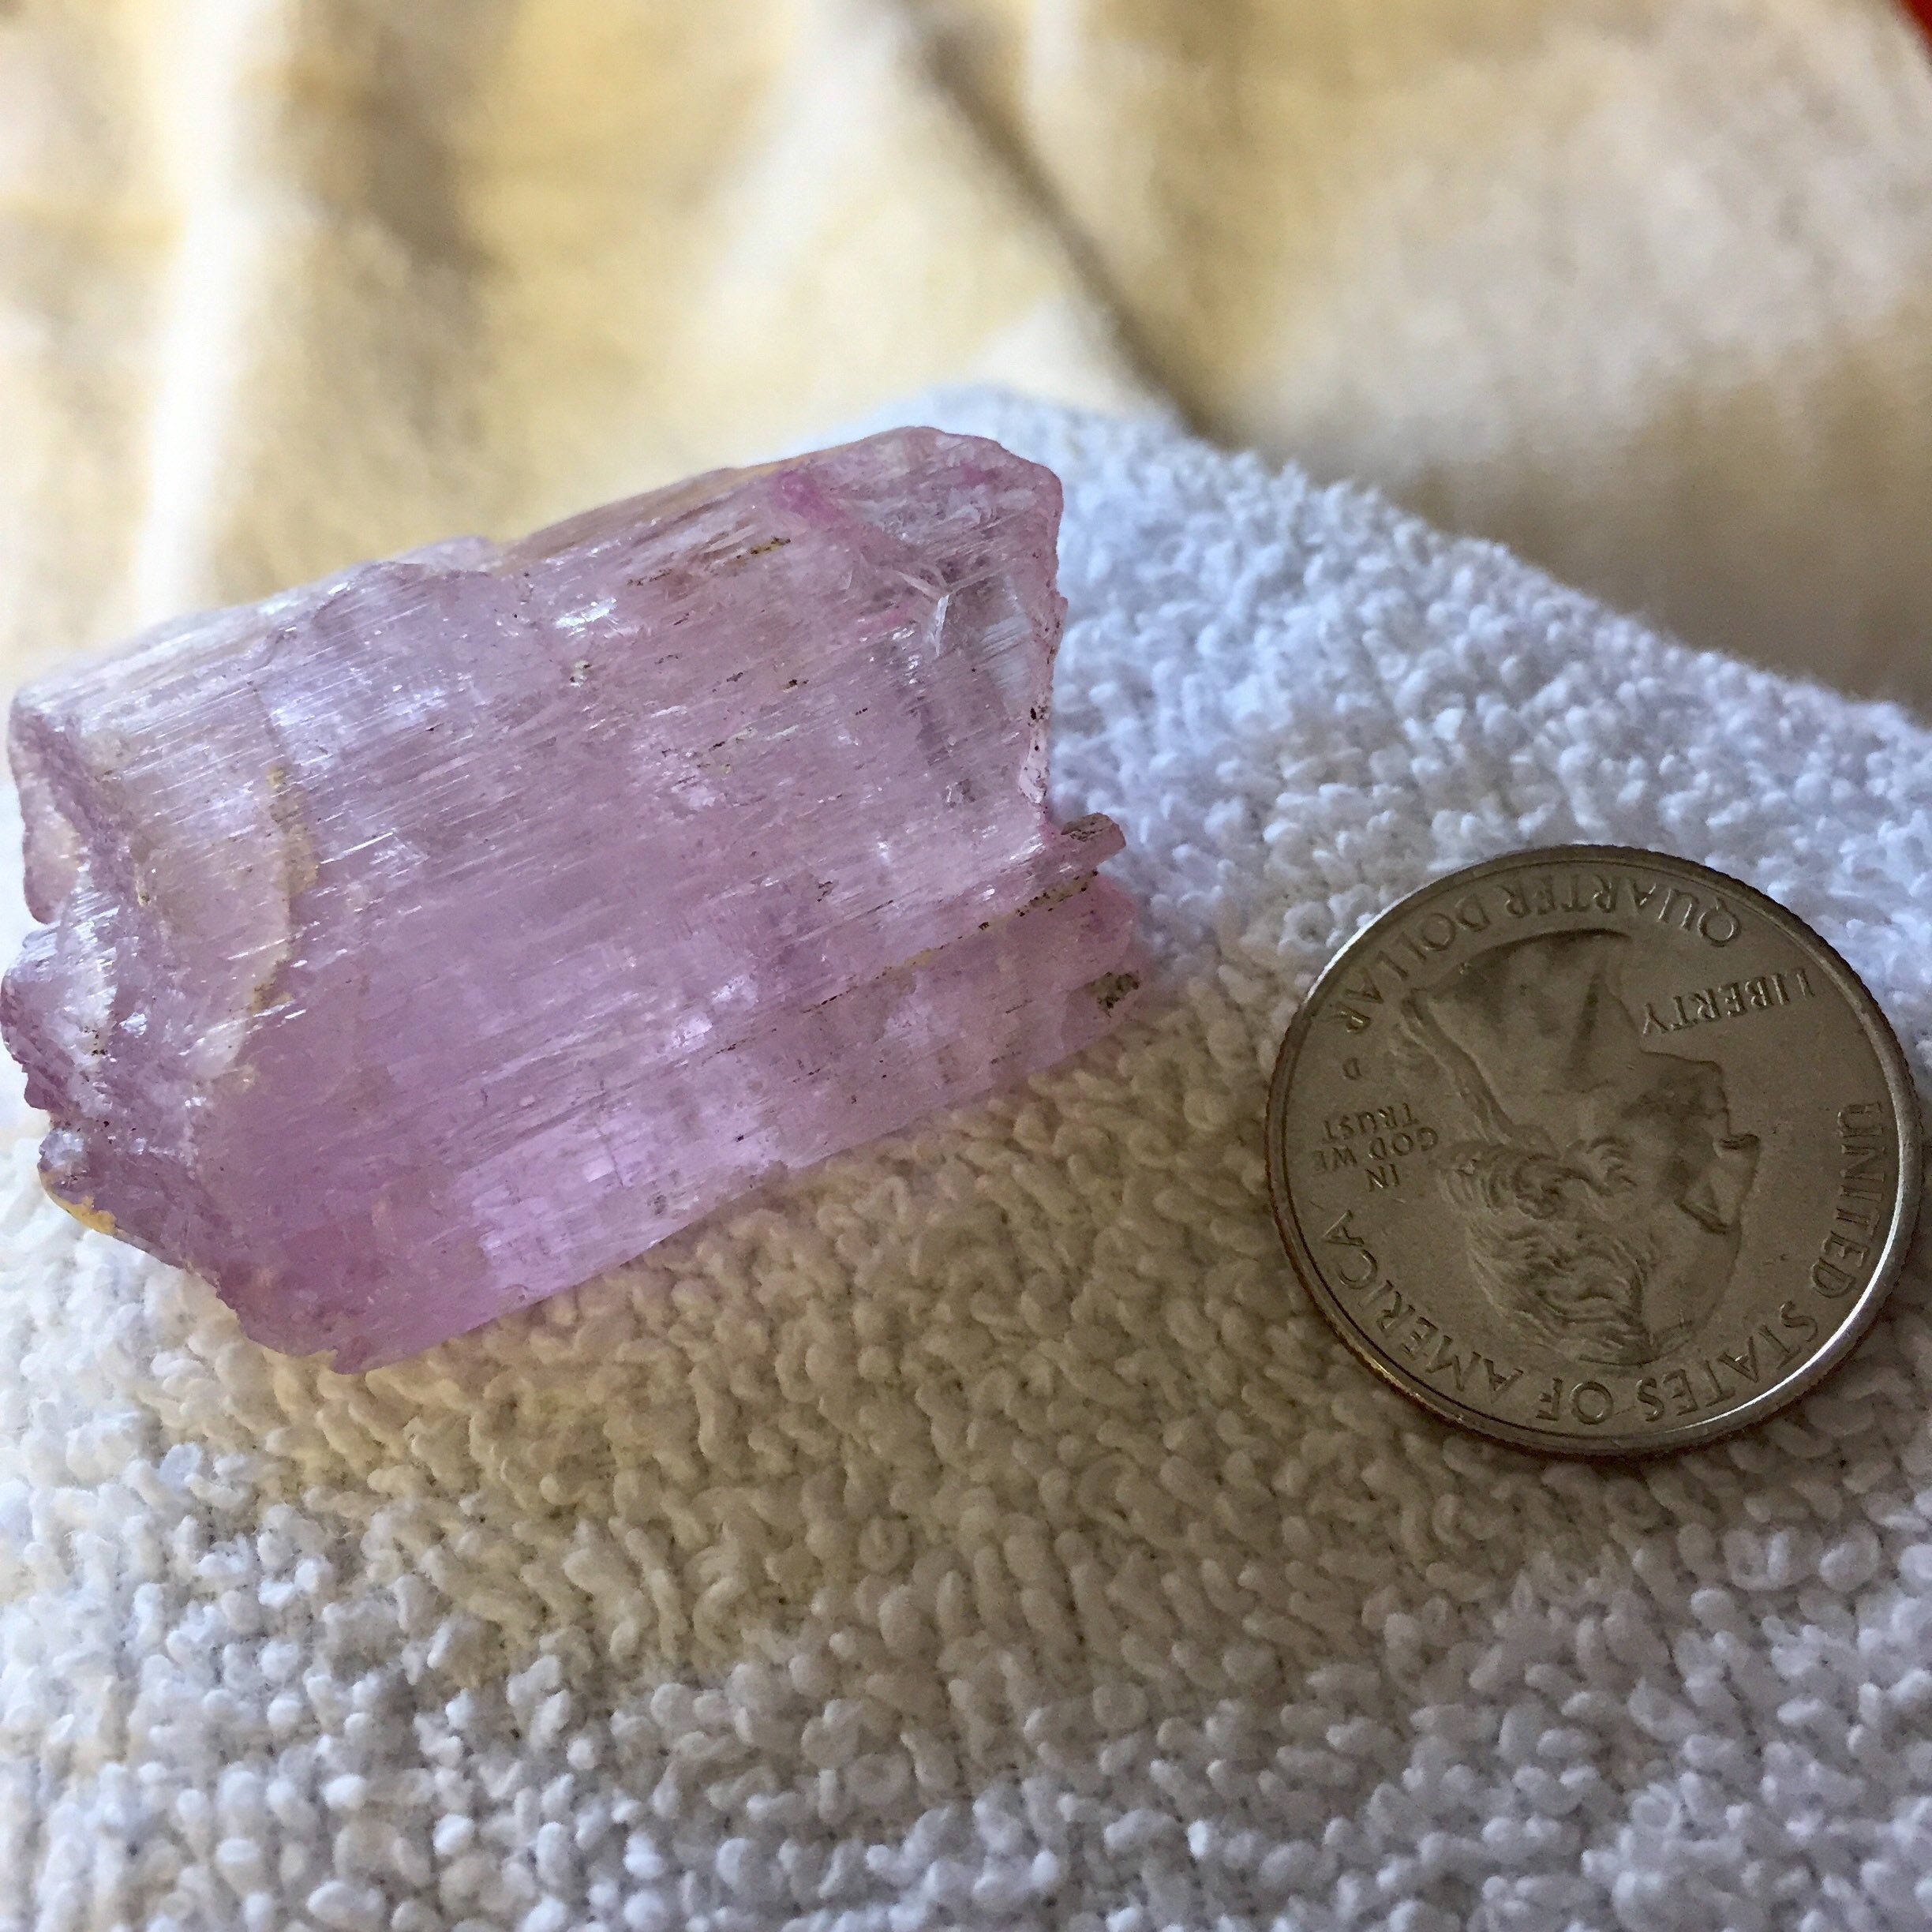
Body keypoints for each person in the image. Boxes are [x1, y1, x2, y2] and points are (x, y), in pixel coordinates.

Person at [1402, 928, 1760, 1367]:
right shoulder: (1550, 1007)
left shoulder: (1526, 1008)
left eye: (1701, 1198)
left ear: (1603, 1175)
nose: (1729, 1150)